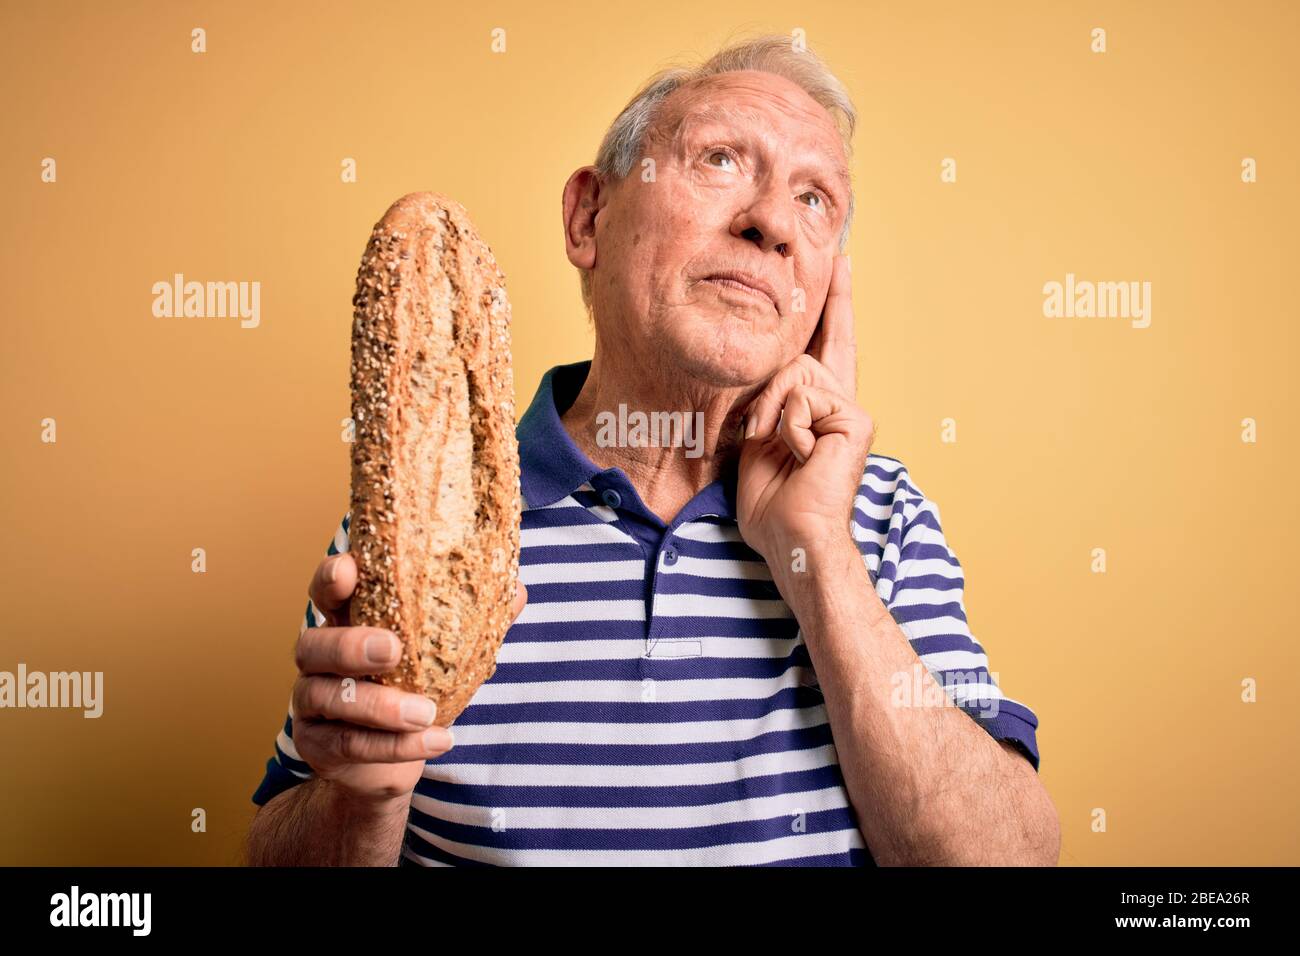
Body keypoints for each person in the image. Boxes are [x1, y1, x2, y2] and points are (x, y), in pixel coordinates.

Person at [245, 33, 1060, 866]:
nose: (773, 221)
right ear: (588, 216)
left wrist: (814, 547)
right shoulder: (415, 527)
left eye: (816, 201)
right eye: (718, 160)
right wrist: (362, 801)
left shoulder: (880, 519)